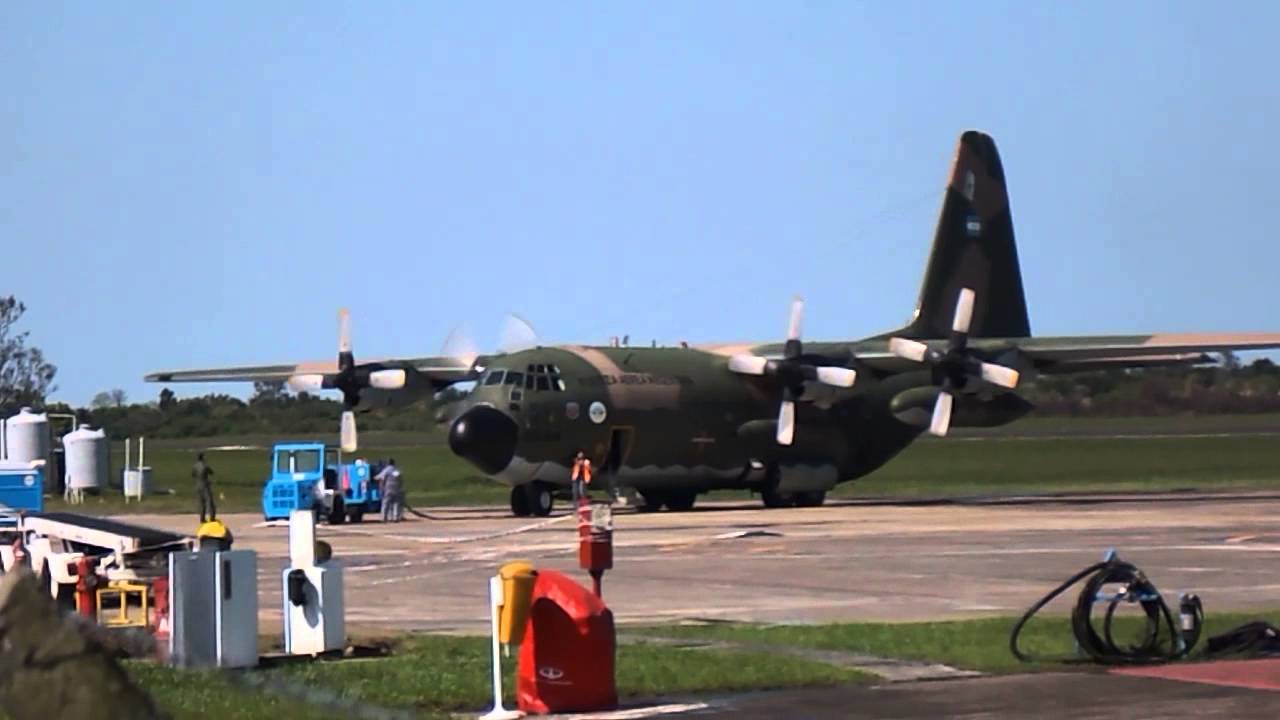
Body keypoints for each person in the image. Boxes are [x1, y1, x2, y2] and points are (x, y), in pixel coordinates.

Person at [375, 458, 403, 522]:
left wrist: (373, 477)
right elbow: (401, 480)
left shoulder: (387, 470)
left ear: (387, 463)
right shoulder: (397, 470)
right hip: (397, 489)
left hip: (388, 489)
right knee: (396, 503)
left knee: (385, 504)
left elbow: (380, 477)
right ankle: (395, 518)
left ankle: (384, 518)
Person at [192, 452, 216, 523]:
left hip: (198, 485)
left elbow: (193, 474)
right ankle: (212, 518)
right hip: (205, 485)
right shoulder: (205, 466)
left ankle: (202, 518)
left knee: (201, 503)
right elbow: (211, 472)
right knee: (210, 502)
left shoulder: (194, 466)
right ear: (202, 457)